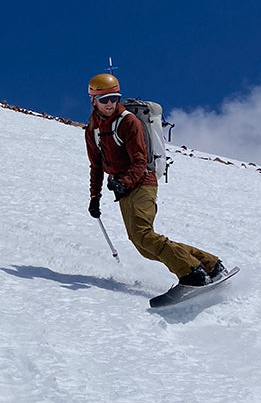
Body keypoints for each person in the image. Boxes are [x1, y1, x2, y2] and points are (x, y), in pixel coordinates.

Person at [84, 72, 226, 293]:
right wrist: (95, 197)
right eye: (105, 100)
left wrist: (125, 181)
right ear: (93, 100)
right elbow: (96, 166)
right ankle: (211, 265)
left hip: (142, 182)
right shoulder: (92, 130)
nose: (111, 104)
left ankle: (192, 273)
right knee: (143, 246)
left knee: (144, 235)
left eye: (115, 98)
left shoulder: (129, 122)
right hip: (123, 189)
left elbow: (140, 160)